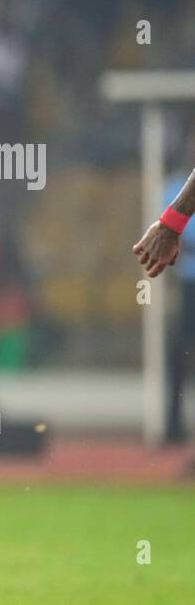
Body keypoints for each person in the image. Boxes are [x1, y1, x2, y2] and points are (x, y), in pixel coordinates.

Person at [133, 158, 195, 455]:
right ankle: (174, 424)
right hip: (189, 285)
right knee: (177, 353)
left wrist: (171, 226)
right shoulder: (172, 186)